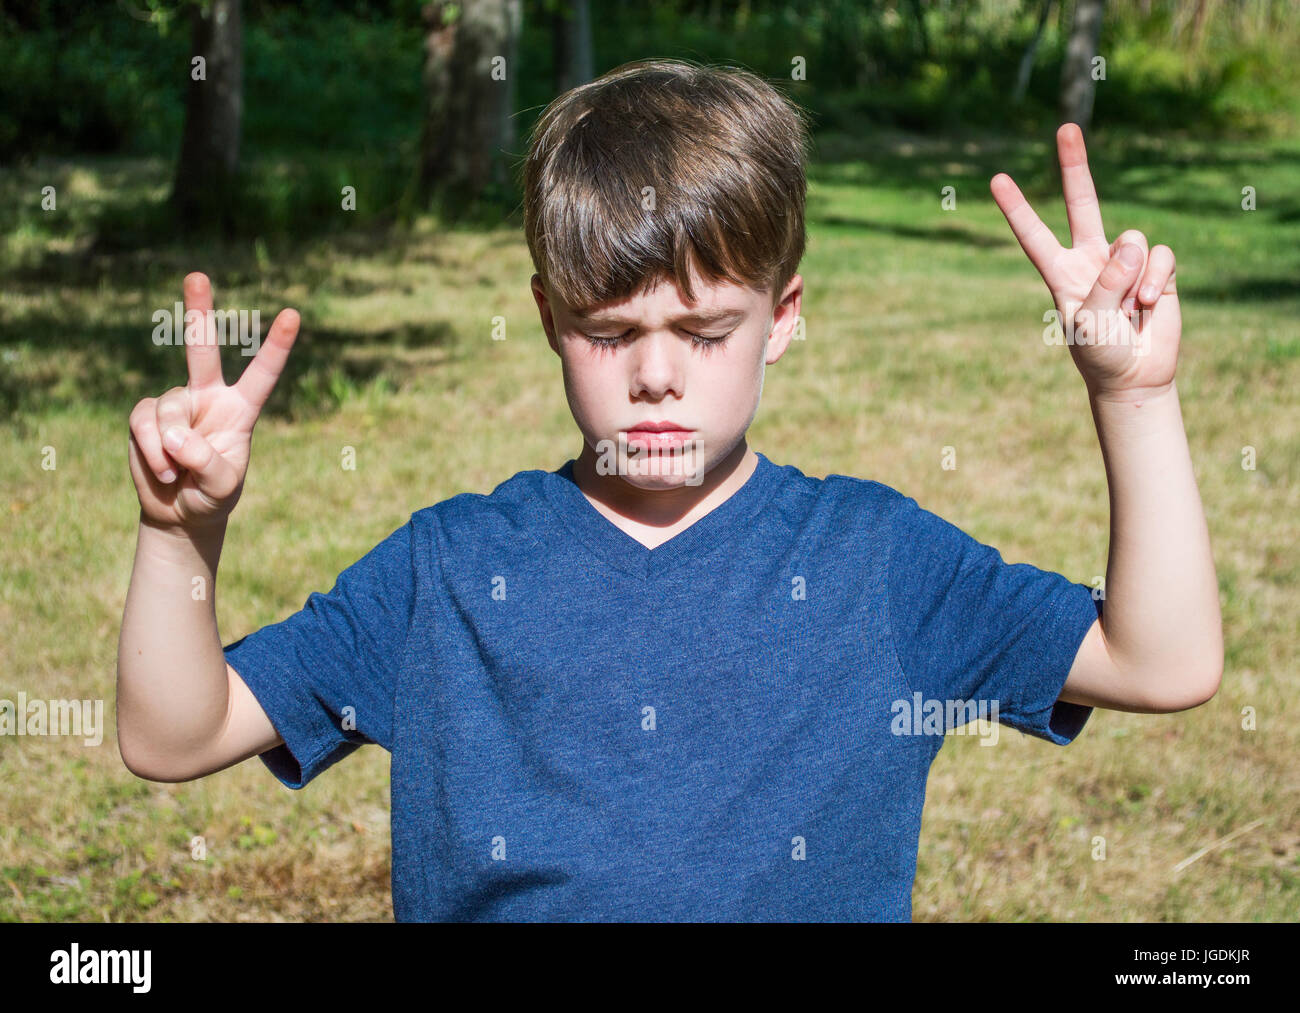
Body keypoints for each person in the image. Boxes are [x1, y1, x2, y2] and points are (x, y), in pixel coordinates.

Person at [116, 59, 1222, 921]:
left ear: (783, 316)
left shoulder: (878, 559)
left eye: (704, 330)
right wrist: (177, 534)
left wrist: (1133, 398)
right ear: (549, 318)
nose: (654, 373)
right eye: (609, 332)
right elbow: (174, 735)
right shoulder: (447, 569)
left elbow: (1162, 661)